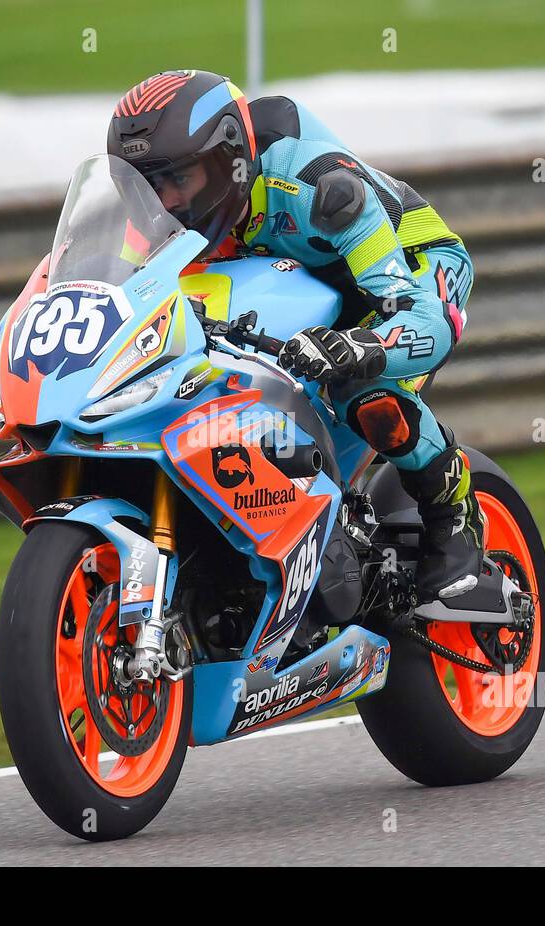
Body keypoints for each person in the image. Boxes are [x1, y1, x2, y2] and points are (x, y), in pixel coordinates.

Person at [107, 69, 485, 600]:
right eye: (146, 182)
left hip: (409, 273)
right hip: (300, 296)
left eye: (177, 178)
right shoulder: (151, 217)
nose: (163, 201)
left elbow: (419, 314)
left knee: (360, 390)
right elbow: (114, 298)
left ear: (227, 160)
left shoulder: (319, 188)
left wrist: (360, 345)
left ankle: (454, 518)